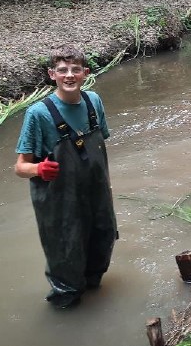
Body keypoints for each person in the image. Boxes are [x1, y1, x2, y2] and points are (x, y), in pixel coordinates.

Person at [15, 44, 117, 309]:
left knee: (102, 240)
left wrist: (106, 188)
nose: (69, 75)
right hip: (59, 200)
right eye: (62, 70)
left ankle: (94, 294)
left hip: (97, 193)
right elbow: (20, 167)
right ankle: (66, 307)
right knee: (66, 253)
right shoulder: (38, 114)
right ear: (52, 74)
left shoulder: (93, 102)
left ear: (86, 73)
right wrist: (38, 169)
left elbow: (97, 148)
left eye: (75, 70)